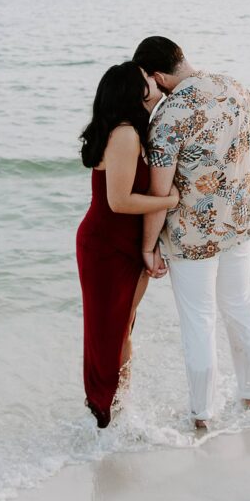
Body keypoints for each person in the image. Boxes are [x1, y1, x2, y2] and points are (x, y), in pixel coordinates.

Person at [133, 36, 250, 430]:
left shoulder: (171, 114)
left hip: (193, 236)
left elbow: (160, 191)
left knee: (199, 320)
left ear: (157, 75)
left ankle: (203, 416)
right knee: (240, 306)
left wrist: (147, 245)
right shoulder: (237, 88)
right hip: (240, 221)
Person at [75, 62, 179, 428]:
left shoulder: (135, 131)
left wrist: (150, 245)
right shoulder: (124, 134)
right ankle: (106, 417)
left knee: (123, 330)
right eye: (145, 79)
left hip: (126, 243)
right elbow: (119, 201)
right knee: (110, 335)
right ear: (133, 93)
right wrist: (169, 201)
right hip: (105, 247)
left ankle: (117, 413)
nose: (153, 80)